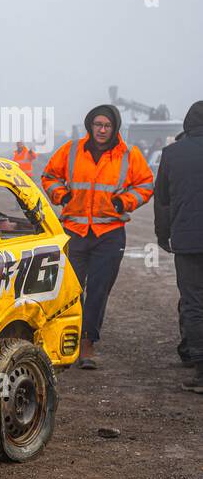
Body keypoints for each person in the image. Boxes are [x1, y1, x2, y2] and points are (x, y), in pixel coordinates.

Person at [42, 105, 154, 369]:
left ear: (114, 128)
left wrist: (123, 203)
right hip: (75, 230)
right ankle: (67, 341)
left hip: (109, 232)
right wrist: (62, 195)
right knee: (71, 289)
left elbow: (146, 184)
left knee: (98, 290)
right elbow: (49, 176)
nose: (102, 130)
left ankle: (87, 344)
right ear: (90, 126)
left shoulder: (129, 154)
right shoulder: (71, 150)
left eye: (107, 125)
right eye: (98, 125)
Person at [153, 101, 203, 393]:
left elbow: (163, 200)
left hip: (187, 241)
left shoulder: (172, 154)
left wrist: (163, 234)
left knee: (194, 302)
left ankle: (199, 366)